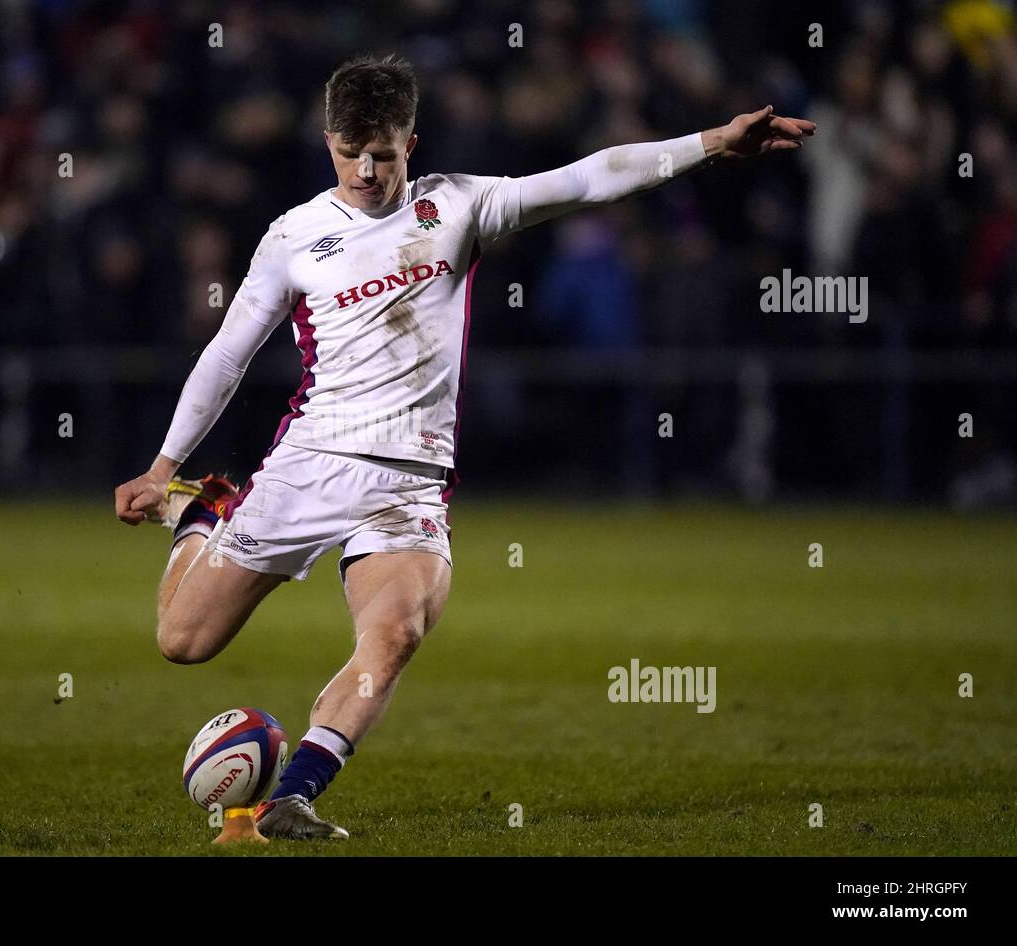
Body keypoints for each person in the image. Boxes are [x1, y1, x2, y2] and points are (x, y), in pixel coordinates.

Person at [114, 54, 815, 839]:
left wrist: (716, 141)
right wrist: (164, 467)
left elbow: (589, 178)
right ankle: (204, 511)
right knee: (183, 642)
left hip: (410, 482)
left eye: (383, 150)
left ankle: (293, 797)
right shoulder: (294, 237)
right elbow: (227, 354)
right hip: (310, 463)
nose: (368, 169)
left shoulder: (459, 206)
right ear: (327, 143)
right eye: (351, 152)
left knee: (395, 633)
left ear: (412, 139)